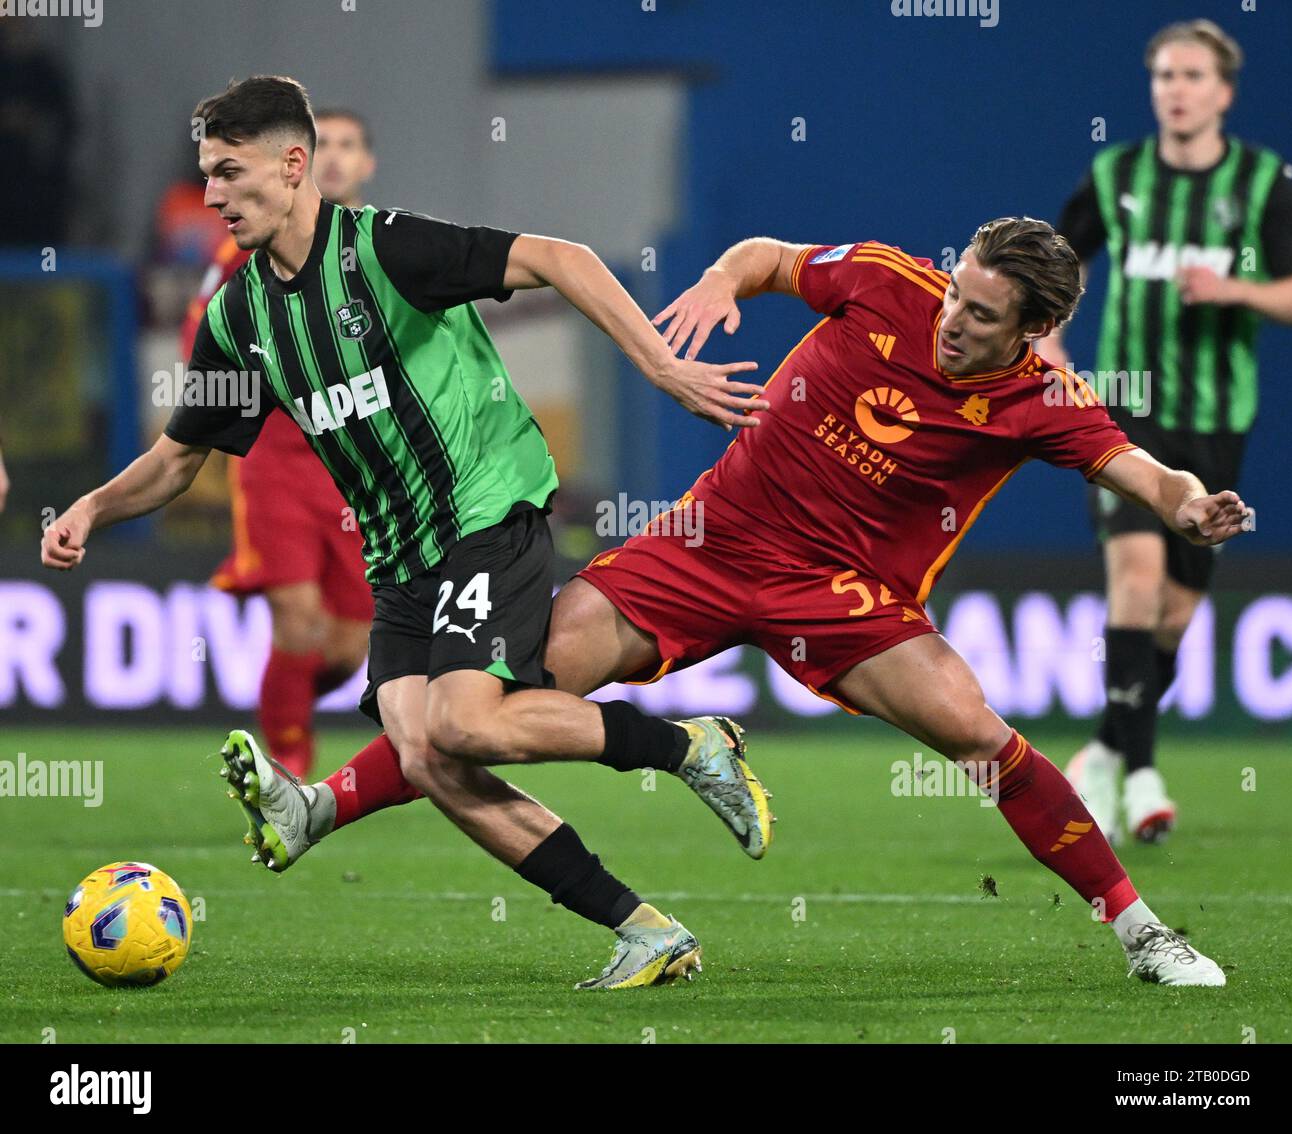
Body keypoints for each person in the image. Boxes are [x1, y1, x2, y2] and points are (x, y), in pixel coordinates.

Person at [274, 218, 1248, 988]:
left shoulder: (1046, 398)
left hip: (840, 591)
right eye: (958, 293)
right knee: (486, 707)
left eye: (982, 316)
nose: (952, 319)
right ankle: (325, 808)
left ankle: (1141, 930)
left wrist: (1188, 502)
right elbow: (768, 259)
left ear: (1030, 333)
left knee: (976, 733)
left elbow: (1138, 470)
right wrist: (716, 283)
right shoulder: (885, 280)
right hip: (707, 540)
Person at [41, 75, 774, 990]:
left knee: (465, 723)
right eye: (206, 175)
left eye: (230, 173)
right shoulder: (239, 317)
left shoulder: (387, 252)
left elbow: (560, 255)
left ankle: (692, 747)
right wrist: (91, 509)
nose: (213, 196)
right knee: (428, 757)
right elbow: (181, 456)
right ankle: (643, 929)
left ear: (294, 164)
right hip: (395, 556)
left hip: (483, 509)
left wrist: (663, 369)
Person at [1040, 19, 1292, 844]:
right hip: (1125, 412)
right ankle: (1143, 773)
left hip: (1219, 420)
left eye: (1192, 76)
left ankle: (1108, 752)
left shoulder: (1264, 184)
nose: (1175, 90)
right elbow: (1049, 268)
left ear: (1223, 92)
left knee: (1175, 617)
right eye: (1163, 76)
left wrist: (1233, 290)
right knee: (1138, 583)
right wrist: (1051, 347)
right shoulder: (1117, 173)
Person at [183, 108, 380, 780]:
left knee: (349, 643)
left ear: (367, 164)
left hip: (354, 463)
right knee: (297, 623)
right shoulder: (241, 249)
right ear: (294, 161)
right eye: (321, 145)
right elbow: (202, 339)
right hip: (274, 458)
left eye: (348, 146)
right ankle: (287, 771)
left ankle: (281, 703)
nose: (333, 159)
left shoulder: (383, 246)